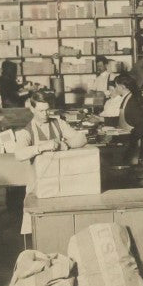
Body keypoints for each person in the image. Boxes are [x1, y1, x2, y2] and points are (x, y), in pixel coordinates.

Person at [12, 90, 90, 234]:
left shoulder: (58, 123)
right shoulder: (26, 131)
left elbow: (82, 138)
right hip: (39, 186)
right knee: (41, 228)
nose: (45, 115)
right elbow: (19, 154)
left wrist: (65, 144)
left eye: (47, 110)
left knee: (64, 224)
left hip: (62, 181)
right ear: (32, 108)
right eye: (41, 111)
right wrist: (41, 147)